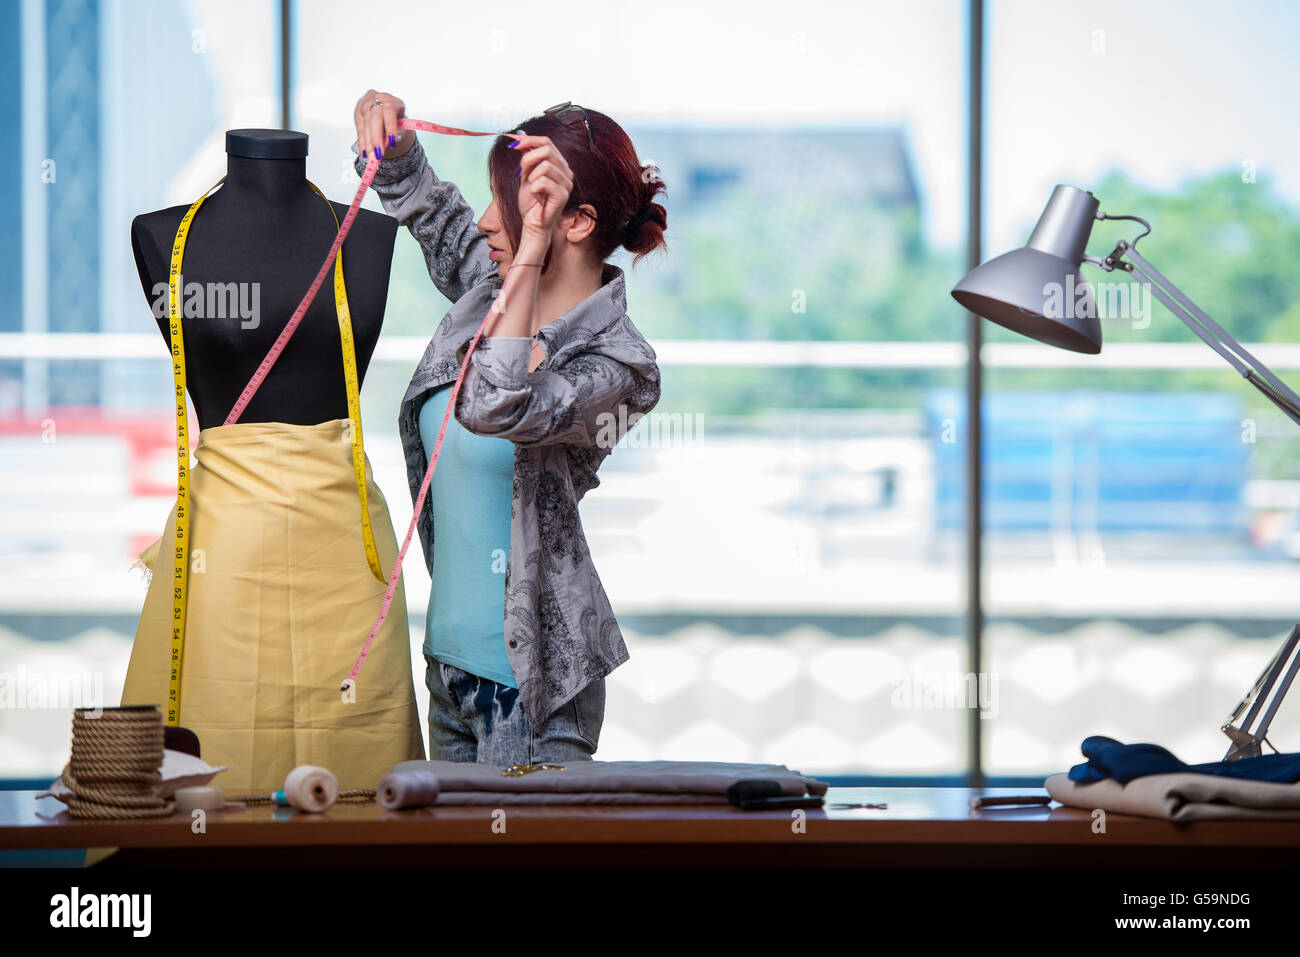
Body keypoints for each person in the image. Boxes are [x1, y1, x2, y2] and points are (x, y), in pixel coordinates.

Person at [352, 92, 666, 766]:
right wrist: (394, 144)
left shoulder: (620, 364)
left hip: (532, 685)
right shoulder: (489, 297)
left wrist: (527, 255)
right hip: (449, 668)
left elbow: (498, 403)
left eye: (511, 207)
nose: (491, 222)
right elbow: (436, 216)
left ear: (574, 221)